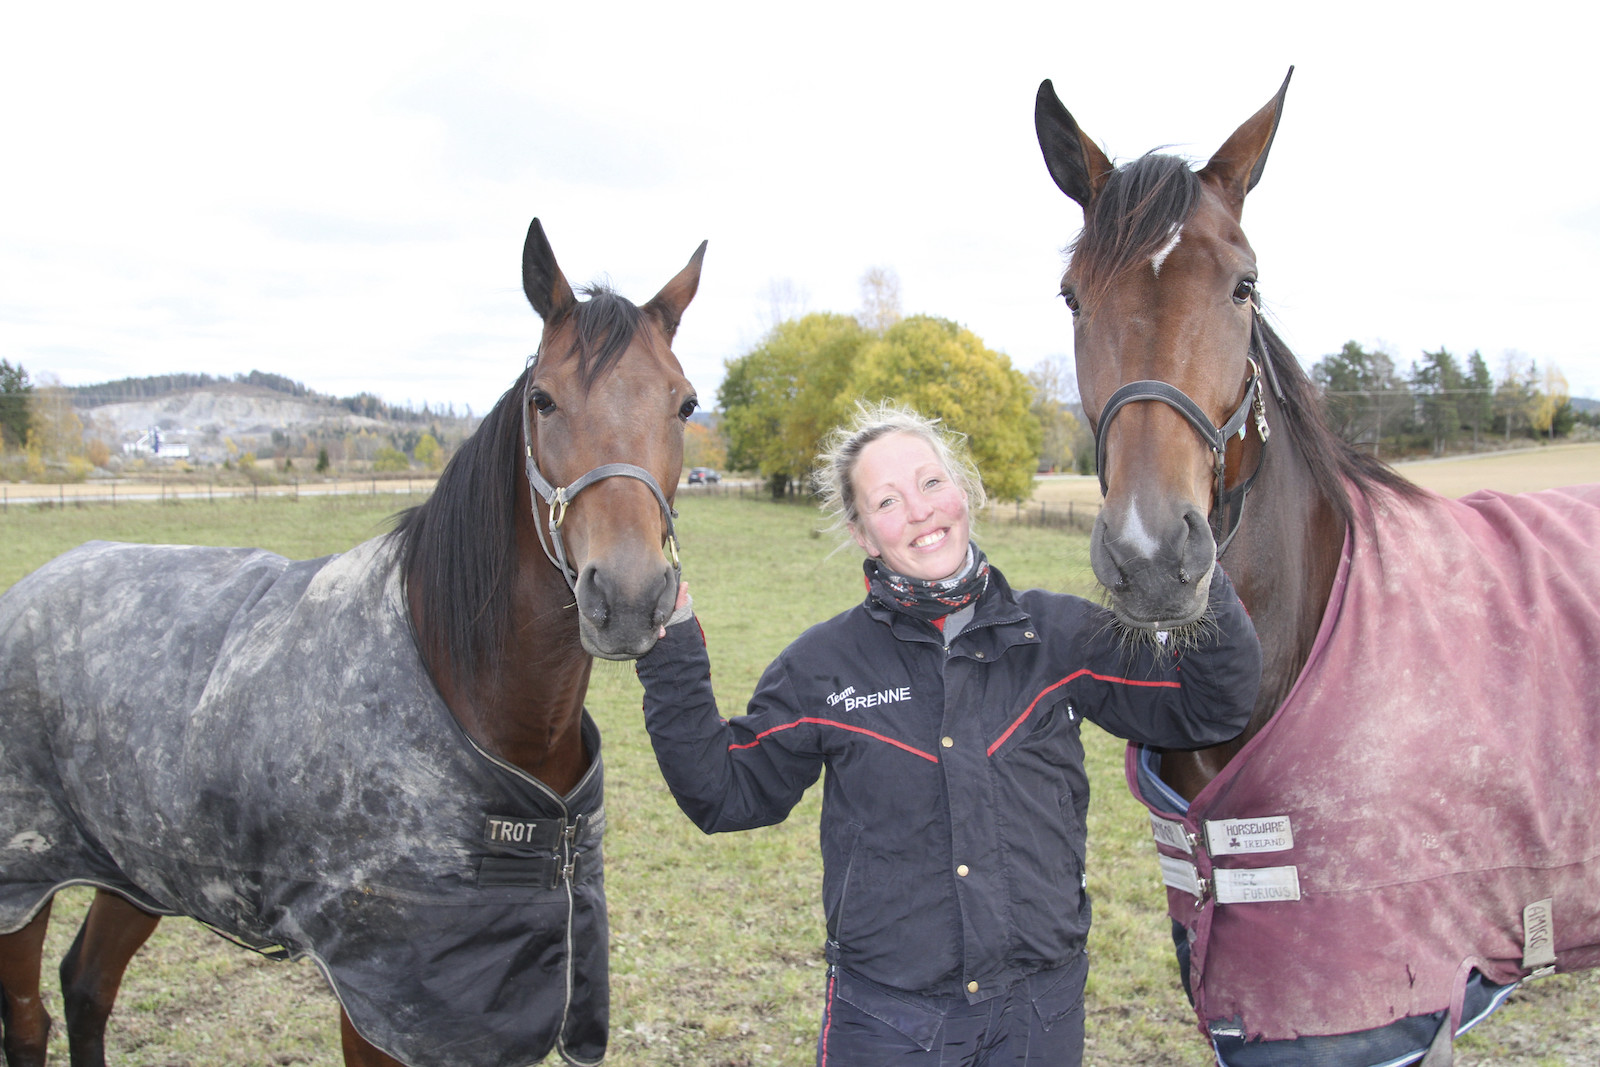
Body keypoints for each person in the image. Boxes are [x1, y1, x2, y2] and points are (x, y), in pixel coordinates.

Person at [635, 401, 1261, 1066]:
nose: (921, 510)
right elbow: (725, 793)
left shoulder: (1056, 637)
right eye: (887, 499)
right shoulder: (821, 668)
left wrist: (1193, 566)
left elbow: (1207, 707)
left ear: (962, 491)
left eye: (932, 482)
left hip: (1039, 1014)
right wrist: (672, 643)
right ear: (863, 534)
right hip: (887, 1022)